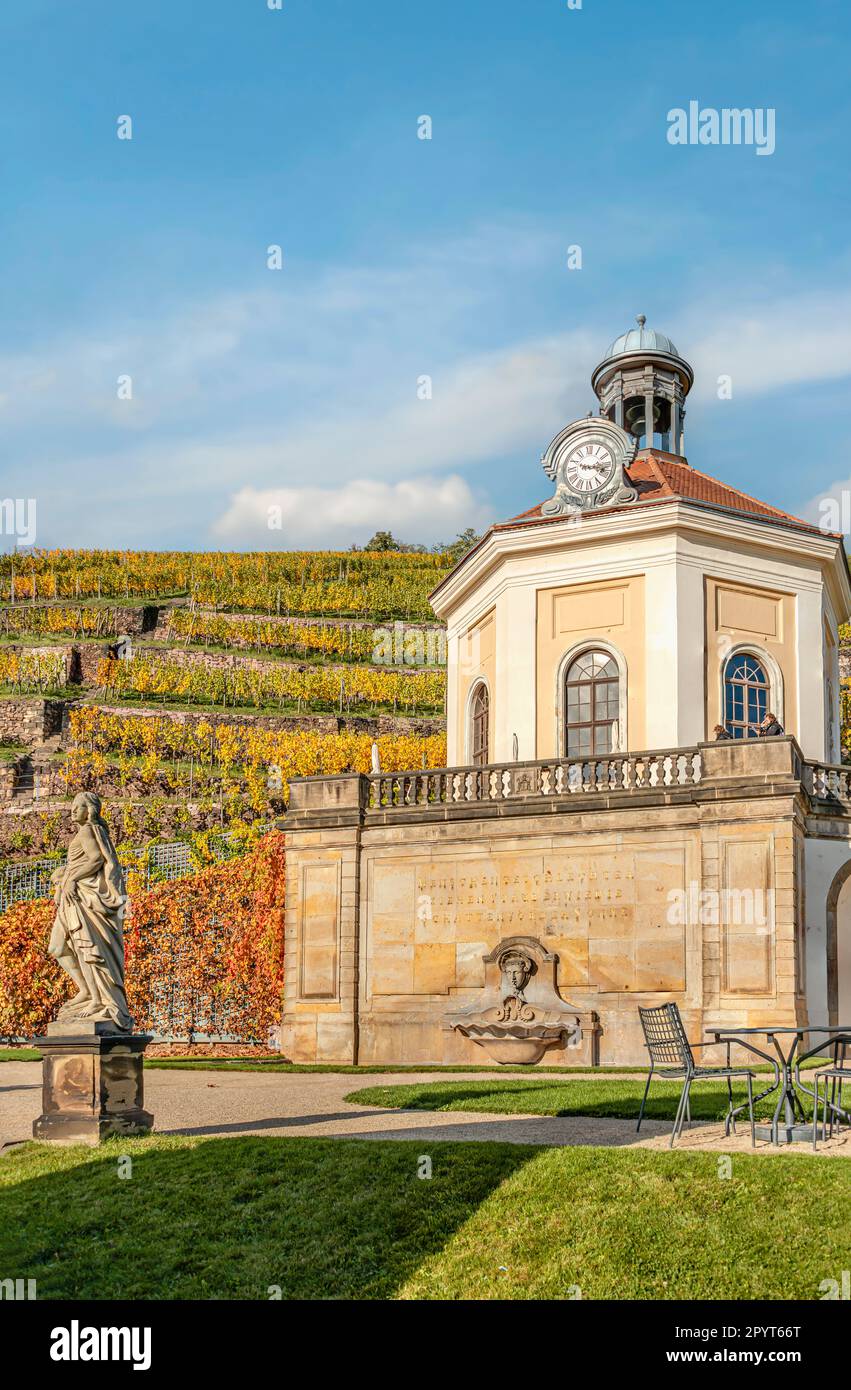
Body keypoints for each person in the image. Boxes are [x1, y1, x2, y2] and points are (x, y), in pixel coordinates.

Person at [48, 791, 133, 1032]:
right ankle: (85, 990)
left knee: (86, 948)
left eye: (78, 807)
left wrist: (72, 877)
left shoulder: (88, 831)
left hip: (84, 897)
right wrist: (64, 878)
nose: (73, 811)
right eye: (73, 806)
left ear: (90, 810)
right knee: (57, 947)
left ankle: (97, 999)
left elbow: (96, 859)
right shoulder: (85, 832)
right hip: (73, 896)